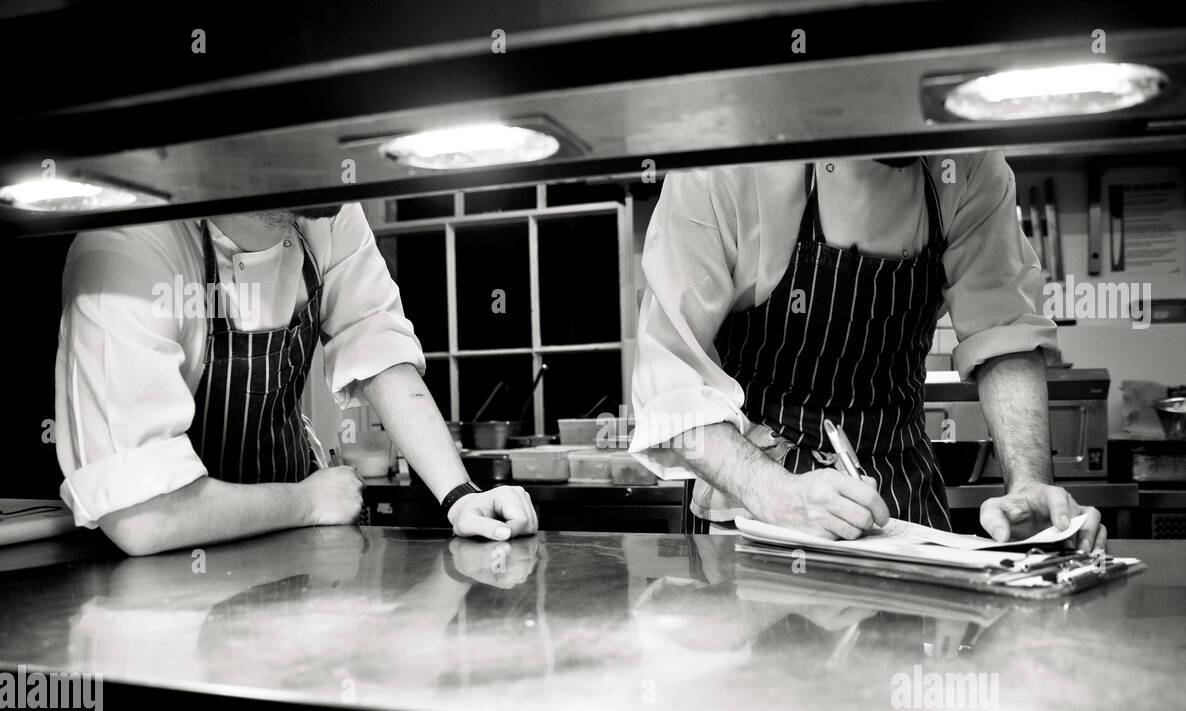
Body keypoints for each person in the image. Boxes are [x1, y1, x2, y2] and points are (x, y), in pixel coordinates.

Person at [629, 154, 1104, 551]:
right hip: (755, 507)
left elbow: (1005, 332)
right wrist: (773, 492)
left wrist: (1027, 485)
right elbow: (670, 376)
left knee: (901, 661)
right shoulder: (728, 163)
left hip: (905, 500)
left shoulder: (970, 164)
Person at [54, 202, 537, 555]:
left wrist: (460, 497)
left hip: (291, 554)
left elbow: (376, 341)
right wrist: (305, 502)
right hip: (160, 587)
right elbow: (144, 519)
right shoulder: (128, 245)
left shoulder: (326, 209)